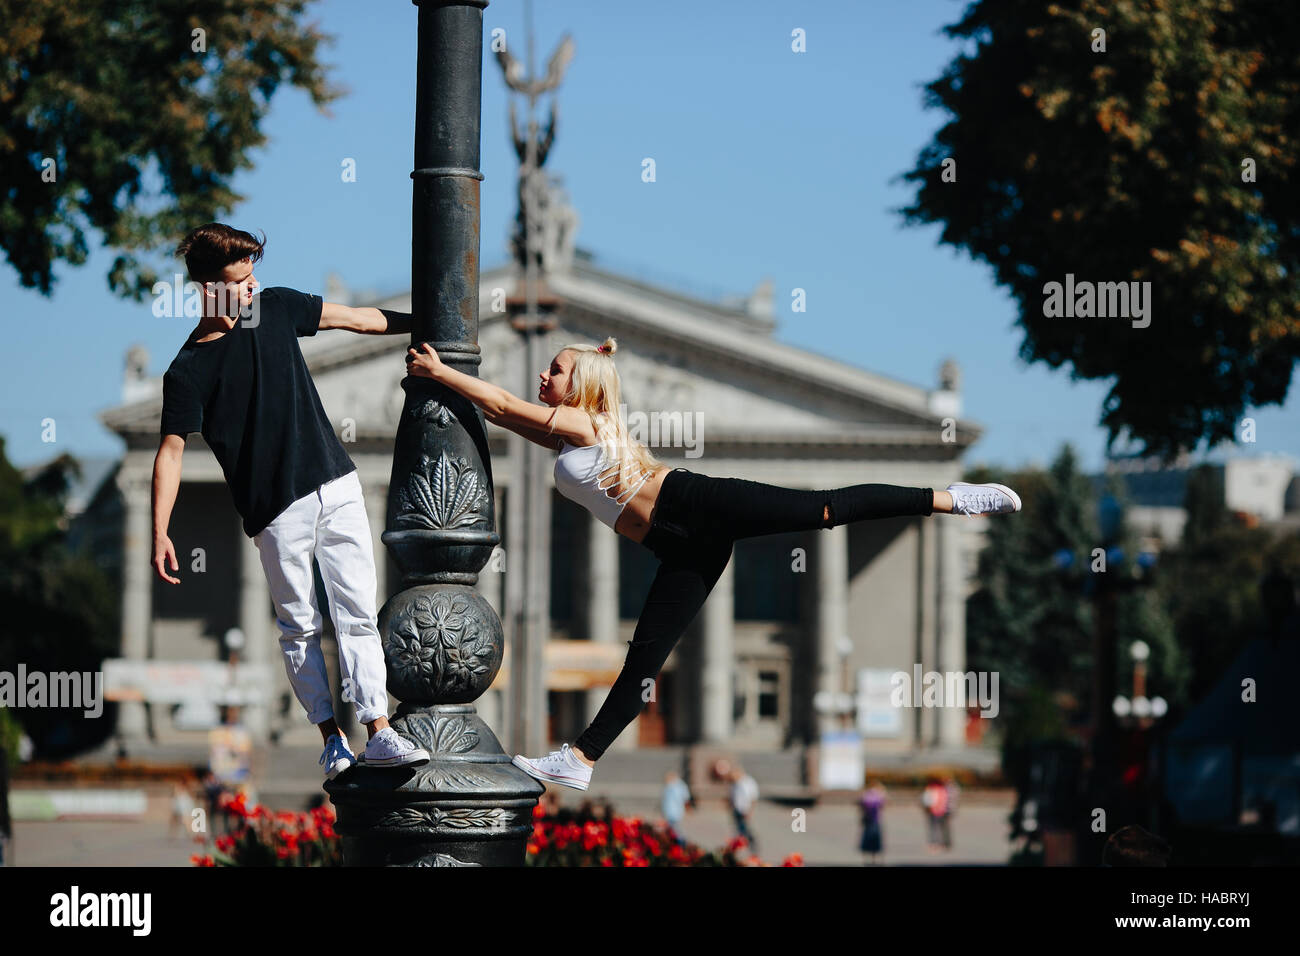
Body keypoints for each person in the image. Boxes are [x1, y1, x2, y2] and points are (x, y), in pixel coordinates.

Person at [405, 336, 1022, 789]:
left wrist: (441, 372)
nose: (544, 374)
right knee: (644, 658)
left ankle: (949, 500)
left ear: (583, 385)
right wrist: (452, 388)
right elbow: (504, 415)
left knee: (824, 510)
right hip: (677, 544)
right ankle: (582, 758)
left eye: (557, 369)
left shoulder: (585, 420)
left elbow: (508, 408)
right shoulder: (567, 434)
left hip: (698, 504)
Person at [154, 223, 430, 780]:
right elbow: (171, 453)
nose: (252, 287)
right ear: (209, 290)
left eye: (253, 274)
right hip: (276, 511)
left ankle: (378, 730)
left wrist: (424, 326)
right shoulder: (187, 372)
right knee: (300, 626)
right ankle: (331, 737)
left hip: (337, 482)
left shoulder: (276, 307)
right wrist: (161, 530)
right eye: (239, 281)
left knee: (356, 613)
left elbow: (355, 319)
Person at [729, 765, 760, 854]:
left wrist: (750, 811)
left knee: (746, 829)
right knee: (739, 829)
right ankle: (739, 847)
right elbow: (732, 796)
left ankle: (752, 845)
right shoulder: (734, 783)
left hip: (745, 810)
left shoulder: (748, 782)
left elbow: (753, 798)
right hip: (736, 810)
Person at [660, 770, 692, 845]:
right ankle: (675, 841)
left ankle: (680, 841)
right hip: (669, 810)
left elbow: (685, 798)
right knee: (672, 827)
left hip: (676, 811)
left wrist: (687, 808)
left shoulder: (680, 786)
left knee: (674, 828)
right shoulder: (669, 785)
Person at [859, 779, 886, 864]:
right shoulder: (878, 795)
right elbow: (883, 804)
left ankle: (865, 859)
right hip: (875, 820)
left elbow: (861, 804)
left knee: (867, 840)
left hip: (868, 820)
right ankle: (874, 859)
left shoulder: (866, 794)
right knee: (875, 840)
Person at [921, 777, 949, 852]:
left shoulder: (932, 789)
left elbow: (928, 800)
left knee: (934, 828)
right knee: (939, 828)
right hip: (940, 811)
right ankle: (939, 843)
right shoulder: (943, 790)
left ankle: (935, 843)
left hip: (935, 811)